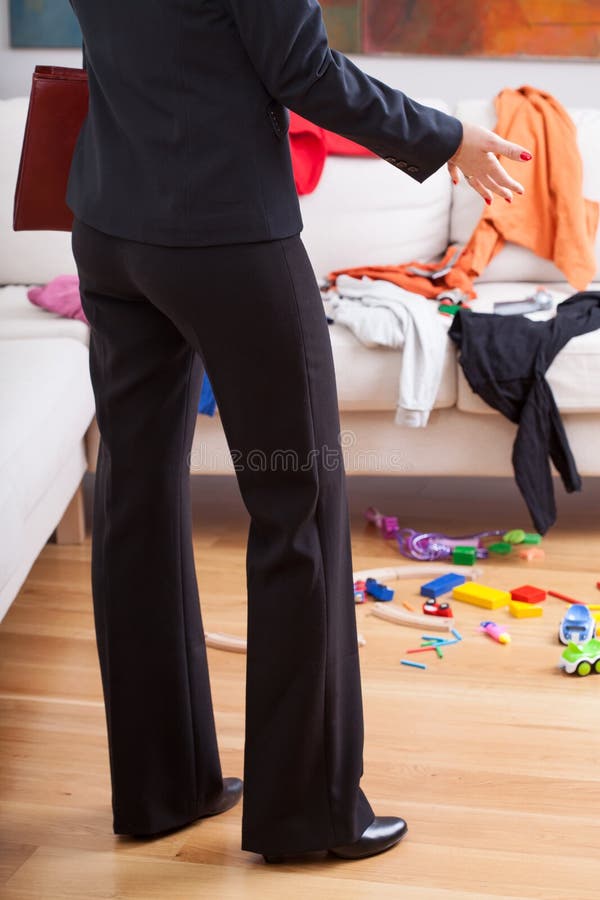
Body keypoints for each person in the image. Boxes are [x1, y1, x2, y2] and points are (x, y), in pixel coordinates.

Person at [65, 0, 532, 864]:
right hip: (226, 235)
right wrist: (446, 138)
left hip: (109, 226)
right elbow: (304, 70)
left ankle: (163, 786)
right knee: (300, 504)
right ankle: (307, 812)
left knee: (134, 499)